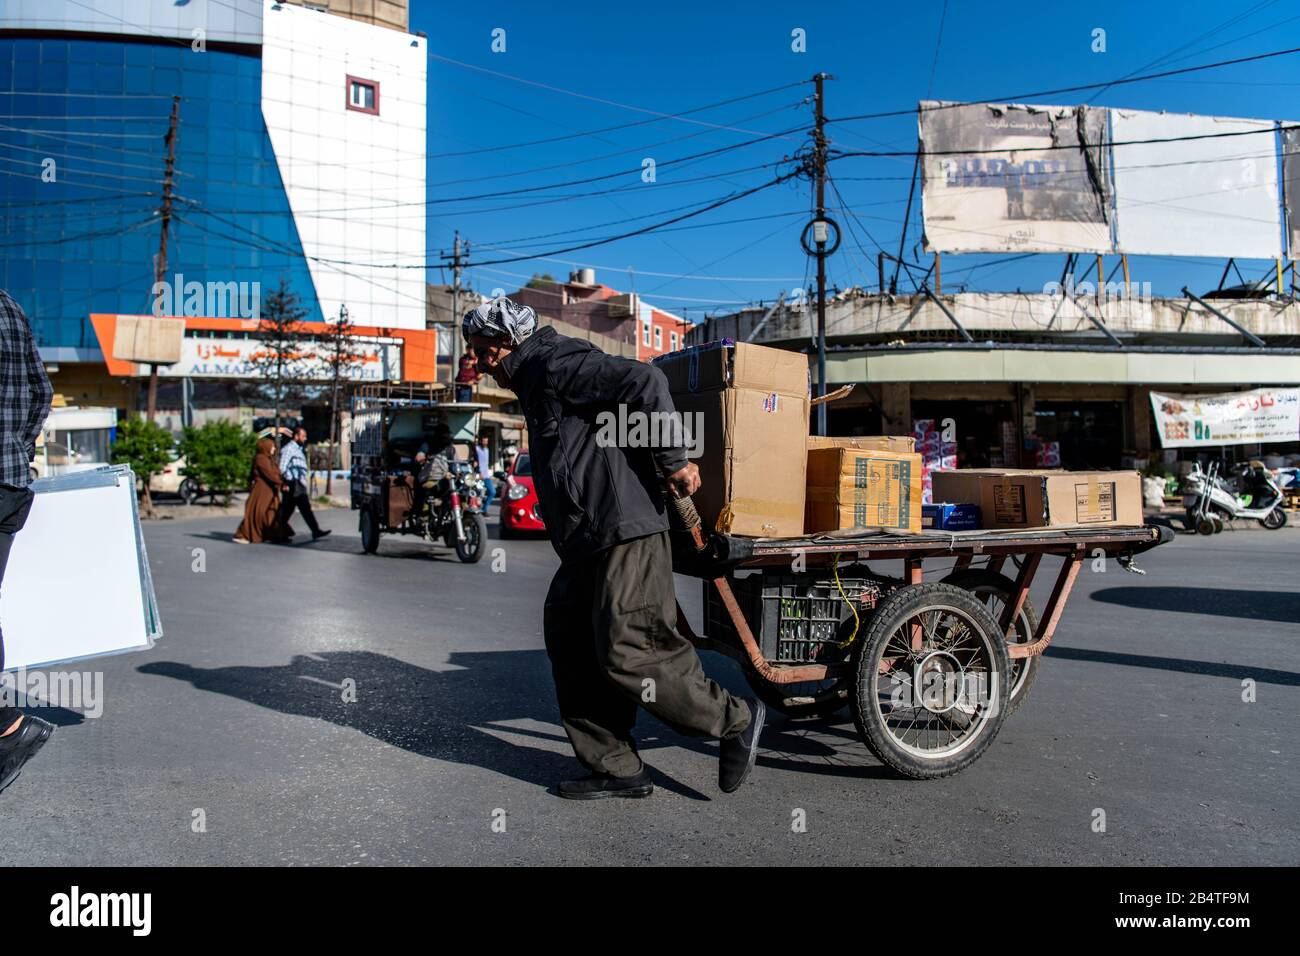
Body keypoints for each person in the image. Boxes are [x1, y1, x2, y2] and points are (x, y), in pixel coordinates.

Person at [463, 295, 764, 800]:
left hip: (624, 530)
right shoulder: (535, 377)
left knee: (632, 646)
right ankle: (616, 765)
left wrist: (673, 460)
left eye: (477, 350)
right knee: (572, 639)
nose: (477, 362)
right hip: (587, 541)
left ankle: (733, 719)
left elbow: (644, 381)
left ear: (499, 345)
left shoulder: (551, 360)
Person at [0, 289, 57, 793]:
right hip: (8, 485)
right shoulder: (10, 307)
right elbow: (41, 393)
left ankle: (5, 726)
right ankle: (6, 727)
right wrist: (15, 450)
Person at [277, 426, 330, 541]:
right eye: (303, 436)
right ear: (296, 437)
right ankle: (278, 533)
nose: (305, 439)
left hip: (298, 484)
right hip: (293, 484)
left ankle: (315, 531)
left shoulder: (298, 449)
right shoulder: (289, 449)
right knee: (293, 510)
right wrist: (284, 482)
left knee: (295, 510)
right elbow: (281, 467)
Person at [233, 437, 291, 544]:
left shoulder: (268, 459)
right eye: (272, 446)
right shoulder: (261, 459)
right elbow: (269, 474)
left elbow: (275, 473)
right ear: (266, 447)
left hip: (269, 491)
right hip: (262, 491)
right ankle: (244, 534)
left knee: (271, 514)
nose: (274, 448)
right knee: (259, 512)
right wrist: (281, 483)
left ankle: (276, 535)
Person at [474, 433, 496, 512]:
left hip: (486, 475)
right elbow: (475, 462)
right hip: (478, 475)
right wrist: (479, 473)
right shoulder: (476, 449)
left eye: (486, 441)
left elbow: (486, 463)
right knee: (476, 494)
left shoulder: (487, 450)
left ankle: (484, 509)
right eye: (484, 441)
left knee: (492, 492)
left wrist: (490, 473)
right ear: (480, 441)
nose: (485, 443)